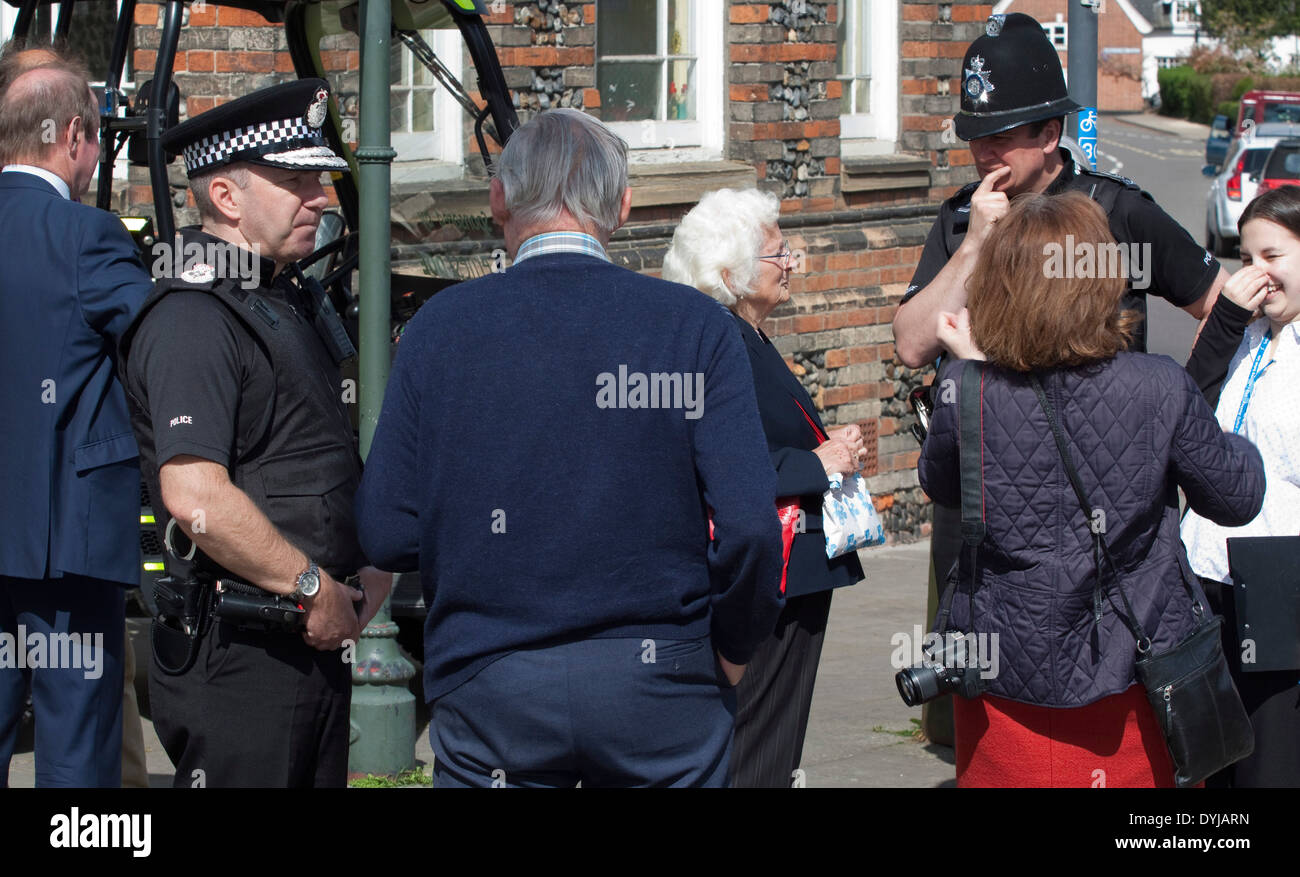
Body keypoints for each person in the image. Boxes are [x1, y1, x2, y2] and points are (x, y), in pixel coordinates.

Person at [356, 108, 785, 788]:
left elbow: (384, 529)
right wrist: (732, 646)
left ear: (499, 197)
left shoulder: (440, 330)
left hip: (493, 677)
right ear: (621, 204)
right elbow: (752, 528)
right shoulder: (694, 326)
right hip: (659, 680)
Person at [892, 12, 1231, 746]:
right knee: (982, 715)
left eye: (1002, 134)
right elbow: (913, 345)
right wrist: (977, 243)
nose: (984, 150)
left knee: (1112, 700)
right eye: (975, 135)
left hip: (1108, 498)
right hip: (988, 491)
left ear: (1050, 131)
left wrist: (1183, 413)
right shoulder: (962, 220)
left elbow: (1219, 304)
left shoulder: (1117, 212)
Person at [917, 192, 1265, 787]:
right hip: (1133, 673)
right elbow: (1237, 497)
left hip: (1003, 674)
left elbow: (941, 484)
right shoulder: (1158, 385)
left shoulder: (966, 387)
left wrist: (971, 369)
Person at [118, 79, 391, 788]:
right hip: (244, 656)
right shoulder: (193, 319)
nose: (323, 198)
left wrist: (364, 569)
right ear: (226, 197)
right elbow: (192, 491)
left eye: (321, 179)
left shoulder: (275, 292)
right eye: (297, 179)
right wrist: (309, 585)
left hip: (302, 644)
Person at [662, 187, 865, 787]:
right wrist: (819, 464)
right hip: (768, 574)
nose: (792, 265)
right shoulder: (722, 342)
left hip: (783, 569)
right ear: (730, 274)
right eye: (778, 256)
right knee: (759, 743)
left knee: (764, 741)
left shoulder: (737, 335)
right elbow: (716, 461)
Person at [0, 51, 151, 787]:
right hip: (65, 537)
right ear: (72, 138)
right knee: (76, 756)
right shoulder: (87, 235)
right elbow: (157, 341)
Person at [1181, 185, 1300, 788]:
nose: (1258, 274)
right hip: (1210, 574)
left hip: (1281, 582)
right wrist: (1226, 321)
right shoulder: (1247, 337)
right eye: (1247, 258)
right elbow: (1184, 420)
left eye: (1273, 257)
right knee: (1217, 764)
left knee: (1271, 763)